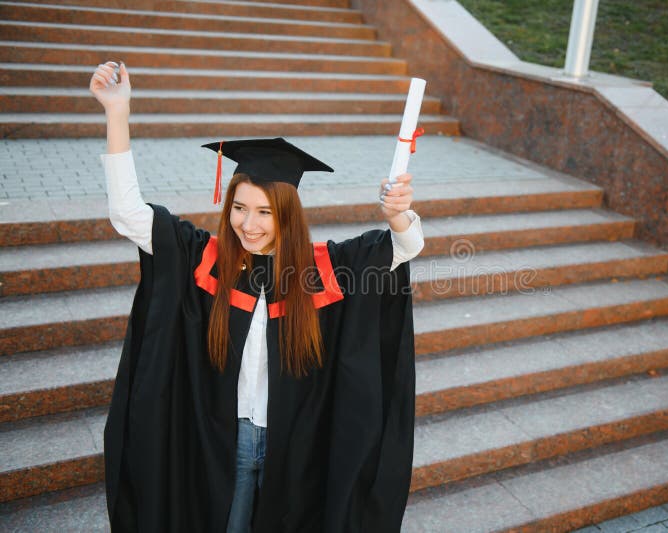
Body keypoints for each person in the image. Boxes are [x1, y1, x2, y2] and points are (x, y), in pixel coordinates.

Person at [90, 61, 423, 532]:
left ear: (288, 214)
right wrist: (117, 113)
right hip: (222, 442)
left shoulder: (325, 268)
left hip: (299, 448)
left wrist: (400, 216)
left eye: (265, 211)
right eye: (240, 208)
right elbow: (127, 214)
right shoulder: (202, 259)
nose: (249, 224)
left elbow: (404, 247)